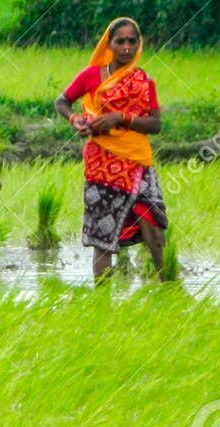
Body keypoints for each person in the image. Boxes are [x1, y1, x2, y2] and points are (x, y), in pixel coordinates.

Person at [53, 17, 168, 284]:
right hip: (102, 167)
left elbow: (155, 124)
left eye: (132, 41)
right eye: (120, 41)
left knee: (154, 227)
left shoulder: (143, 82)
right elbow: (62, 101)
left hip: (138, 164)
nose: (126, 47)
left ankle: (168, 286)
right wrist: (75, 119)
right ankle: (102, 300)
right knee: (103, 239)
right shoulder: (90, 76)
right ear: (109, 44)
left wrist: (120, 118)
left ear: (139, 45)